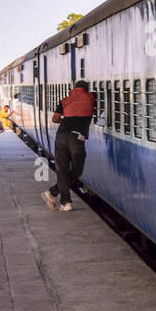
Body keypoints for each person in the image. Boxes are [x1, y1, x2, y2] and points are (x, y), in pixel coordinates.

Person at [42, 80, 94, 213]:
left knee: (62, 170)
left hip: (61, 137)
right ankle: (57, 196)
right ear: (86, 90)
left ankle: (63, 200)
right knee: (77, 170)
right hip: (76, 139)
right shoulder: (91, 97)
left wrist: (66, 120)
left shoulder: (65, 100)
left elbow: (55, 119)